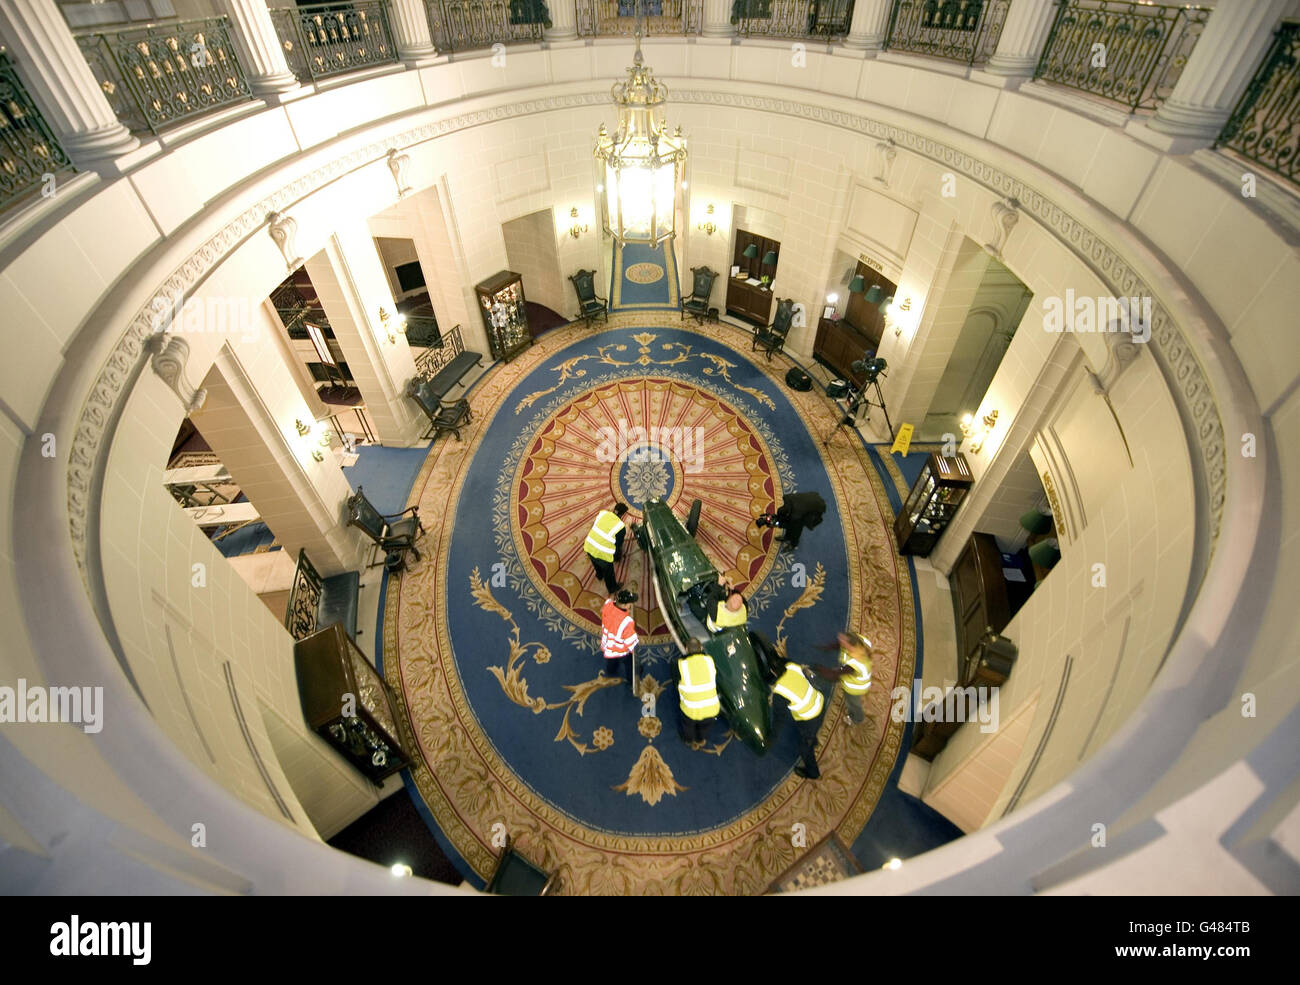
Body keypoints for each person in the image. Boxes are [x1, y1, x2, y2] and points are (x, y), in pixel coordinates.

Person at [770, 653, 825, 779]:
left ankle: (812, 773)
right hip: (819, 702)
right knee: (810, 734)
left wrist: (772, 736)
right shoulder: (791, 666)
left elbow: (779, 718)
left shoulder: (780, 692)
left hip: (809, 717)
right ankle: (813, 740)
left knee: (804, 748)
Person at [812, 632, 874, 726]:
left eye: (843, 640)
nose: (839, 638)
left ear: (849, 646)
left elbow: (834, 675)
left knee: (853, 703)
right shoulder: (858, 640)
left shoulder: (854, 664)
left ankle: (857, 718)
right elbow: (841, 645)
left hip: (855, 687)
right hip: (849, 673)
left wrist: (819, 668)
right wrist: (829, 647)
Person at [676, 638, 720, 746]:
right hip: (712, 709)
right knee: (705, 727)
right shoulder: (709, 660)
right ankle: (701, 739)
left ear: (686, 649)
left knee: (688, 726)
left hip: (690, 710)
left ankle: (689, 740)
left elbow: (677, 681)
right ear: (701, 648)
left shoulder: (681, 664)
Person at [585, 503, 628, 594]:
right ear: (622, 514)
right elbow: (618, 544)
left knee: (594, 559)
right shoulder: (621, 527)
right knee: (609, 571)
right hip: (603, 554)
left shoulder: (603, 513)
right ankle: (612, 587)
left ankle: (599, 575)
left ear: (614, 509)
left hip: (589, 545)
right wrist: (617, 556)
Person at [600, 589, 639, 689]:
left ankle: (611, 670)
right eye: (630, 604)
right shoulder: (627, 622)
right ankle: (631, 681)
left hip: (608, 644)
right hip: (620, 649)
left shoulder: (607, 604)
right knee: (629, 663)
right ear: (625, 605)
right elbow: (631, 643)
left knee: (611, 659)